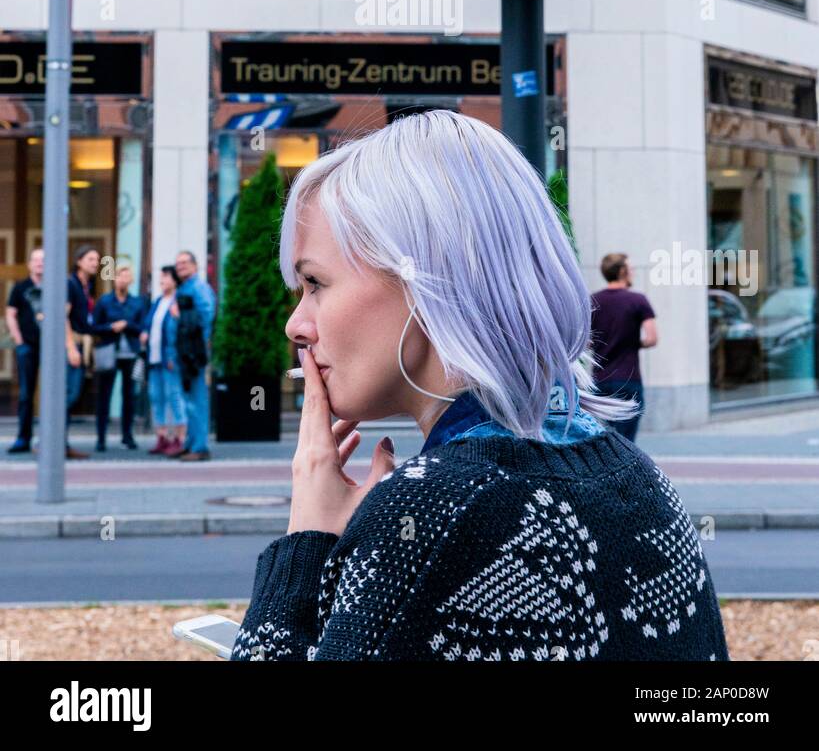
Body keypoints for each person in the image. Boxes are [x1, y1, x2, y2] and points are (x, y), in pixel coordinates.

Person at [231, 110, 728, 663]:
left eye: (315, 283)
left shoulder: (432, 512)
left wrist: (307, 544)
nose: (295, 324)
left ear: (424, 281)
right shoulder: (640, 477)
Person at [590, 253, 658, 443]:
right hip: (628, 379)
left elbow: (584, 341)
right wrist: (632, 342)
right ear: (622, 271)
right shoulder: (638, 300)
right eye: (631, 268)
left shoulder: (593, 300)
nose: (633, 272)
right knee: (626, 442)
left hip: (600, 380)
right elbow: (652, 338)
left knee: (606, 440)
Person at [93, 264, 145, 452]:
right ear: (114, 279)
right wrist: (110, 327)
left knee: (129, 396)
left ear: (130, 280)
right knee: (104, 396)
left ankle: (127, 436)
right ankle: (101, 438)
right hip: (109, 354)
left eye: (126, 276)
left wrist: (127, 325)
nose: (122, 280)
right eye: (119, 276)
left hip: (131, 355)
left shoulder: (138, 303)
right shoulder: (104, 302)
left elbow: (143, 328)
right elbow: (94, 327)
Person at [141, 265, 187, 456]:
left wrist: (173, 356)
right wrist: (144, 332)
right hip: (154, 358)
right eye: (160, 277)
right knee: (156, 396)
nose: (161, 280)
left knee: (174, 397)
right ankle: (162, 437)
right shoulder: (159, 301)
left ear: (175, 280)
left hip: (170, 359)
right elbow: (148, 323)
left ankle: (180, 439)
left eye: (166, 277)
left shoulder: (178, 301)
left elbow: (180, 330)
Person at [174, 250, 216, 461]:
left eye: (184, 262)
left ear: (194, 265)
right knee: (189, 399)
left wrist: (199, 348)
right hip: (185, 351)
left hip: (194, 352)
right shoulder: (185, 287)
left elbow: (206, 316)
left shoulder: (199, 288)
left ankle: (199, 447)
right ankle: (191, 443)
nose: (180, 266)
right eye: (177, 263)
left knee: (197, 399)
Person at [5, 247, 45, 453]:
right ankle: (24, 438)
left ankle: (48, 438)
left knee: (51, 394)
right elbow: (10, 313)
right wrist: (19, 340)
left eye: (43, 260)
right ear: (29, 264)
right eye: (36, 260)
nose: (40, 264)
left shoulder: (55, 287)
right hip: (27, 347)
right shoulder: (20, 288)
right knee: (25, 394)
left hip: (50, 350)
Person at [65, 245, 100, 459]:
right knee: (67, 395)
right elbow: (63, 316)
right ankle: (51, 442)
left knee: (72, 394)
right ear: (79, 261)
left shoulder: (87, 286)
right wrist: (70, 348)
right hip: (72, 345)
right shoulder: (71, 284)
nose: (95, 263)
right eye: (90, 259)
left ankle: (59, 442)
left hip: (81, 344)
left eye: (97, 260)